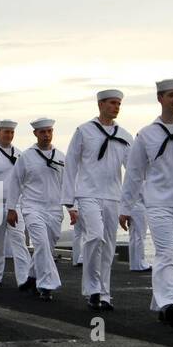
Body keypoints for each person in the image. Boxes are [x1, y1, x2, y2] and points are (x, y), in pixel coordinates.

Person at [119, 78, 173, 328]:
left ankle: (163, 303)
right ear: (160, 99)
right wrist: (125, 207)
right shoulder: (147, 134)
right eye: (171, 95)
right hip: (159, 203)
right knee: (165, 253)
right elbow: (134, 173)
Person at [62, 89, 134, 311]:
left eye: (119, 104)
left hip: (113, 196)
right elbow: (71, 164)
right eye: (112, 103)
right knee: (94, 237)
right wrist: (70, 201)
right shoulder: (84, 131)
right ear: (101, 104)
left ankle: (104, 294)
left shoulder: (124, 135)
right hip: (88, 194)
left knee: (109, 245)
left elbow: (132, 170)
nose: (116, 107)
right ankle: (92, 288)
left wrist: (129, 204)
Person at [6, 118, 65, 300]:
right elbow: (15, 182)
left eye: (49, 131)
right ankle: (46, 286)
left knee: (47, 246)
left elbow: (69, 184)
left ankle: (31, 276)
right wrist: (11, 208)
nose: (46, 135)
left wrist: (73, 207)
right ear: (35, 134)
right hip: (32, 207)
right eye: (42, 132)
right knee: (41, 243)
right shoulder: (26, 157)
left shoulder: (61, 156)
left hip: (55, 209)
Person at [0, 121, 32, 290]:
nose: (9, 135)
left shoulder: (20, 153)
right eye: (6, 132)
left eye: (11, 132)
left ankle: (24, 279)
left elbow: (25, 180)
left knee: (19, 241)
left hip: (14, 204)